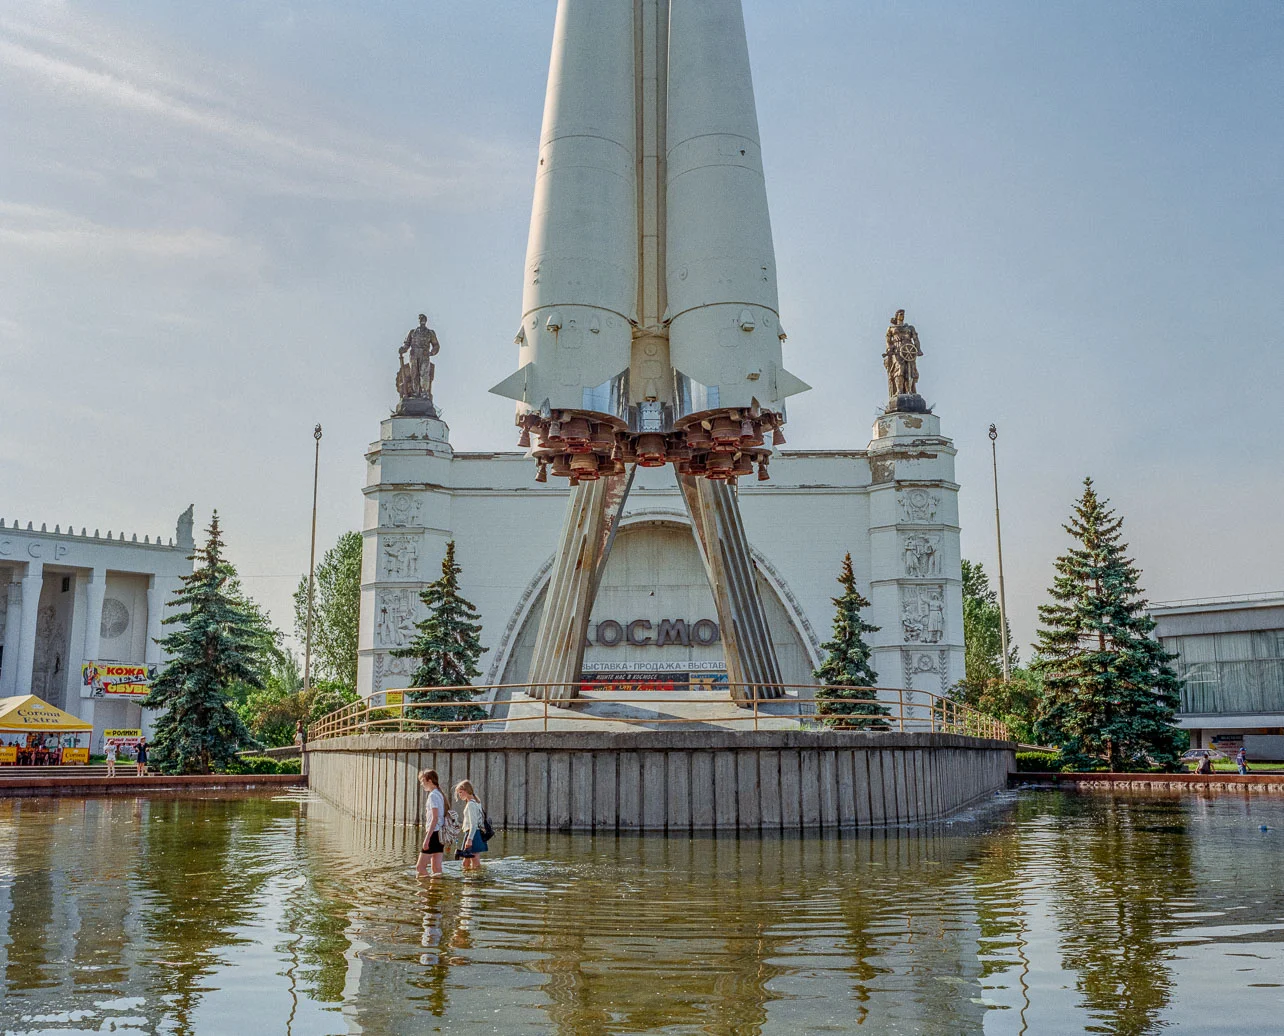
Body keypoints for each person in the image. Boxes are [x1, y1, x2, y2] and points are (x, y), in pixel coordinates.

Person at [417, 769, 447, 877]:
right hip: (440, 834)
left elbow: (434, 818)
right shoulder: (439, 794)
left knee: (420, 867)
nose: (422, 784)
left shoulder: (433, 796)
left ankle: (425, 893)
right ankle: (436, 891)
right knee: (436, 868)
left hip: (434, 833)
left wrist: (427, 838)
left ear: (429, 781)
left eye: (422, 781)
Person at [454, 779, 488, 872]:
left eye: (461, 792)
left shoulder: (471, 804)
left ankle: (476, 880)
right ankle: (467, 878)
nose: (460, 795)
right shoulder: (477, 802)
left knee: (474, 859)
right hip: (473, 833)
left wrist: (469, 839)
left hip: (472, 834)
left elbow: (473, 824)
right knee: (466, 860)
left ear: (466, 791)